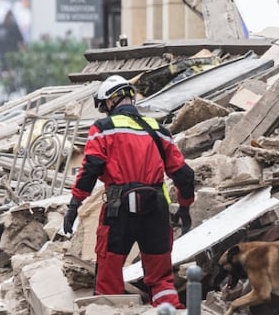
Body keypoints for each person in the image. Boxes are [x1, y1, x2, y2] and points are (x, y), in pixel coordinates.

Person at [64, 75, 195, 309]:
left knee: (109, 274)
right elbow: (184, 174)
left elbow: (90, 168)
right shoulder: (158, 129)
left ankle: (110, 312)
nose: (104, 111)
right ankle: (168, 311)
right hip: (156, 211)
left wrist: (75, 204)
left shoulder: (103, 129)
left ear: (111, 101)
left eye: (104, 106)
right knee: (161, 277)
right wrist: (185, 206)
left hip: (119, 211)